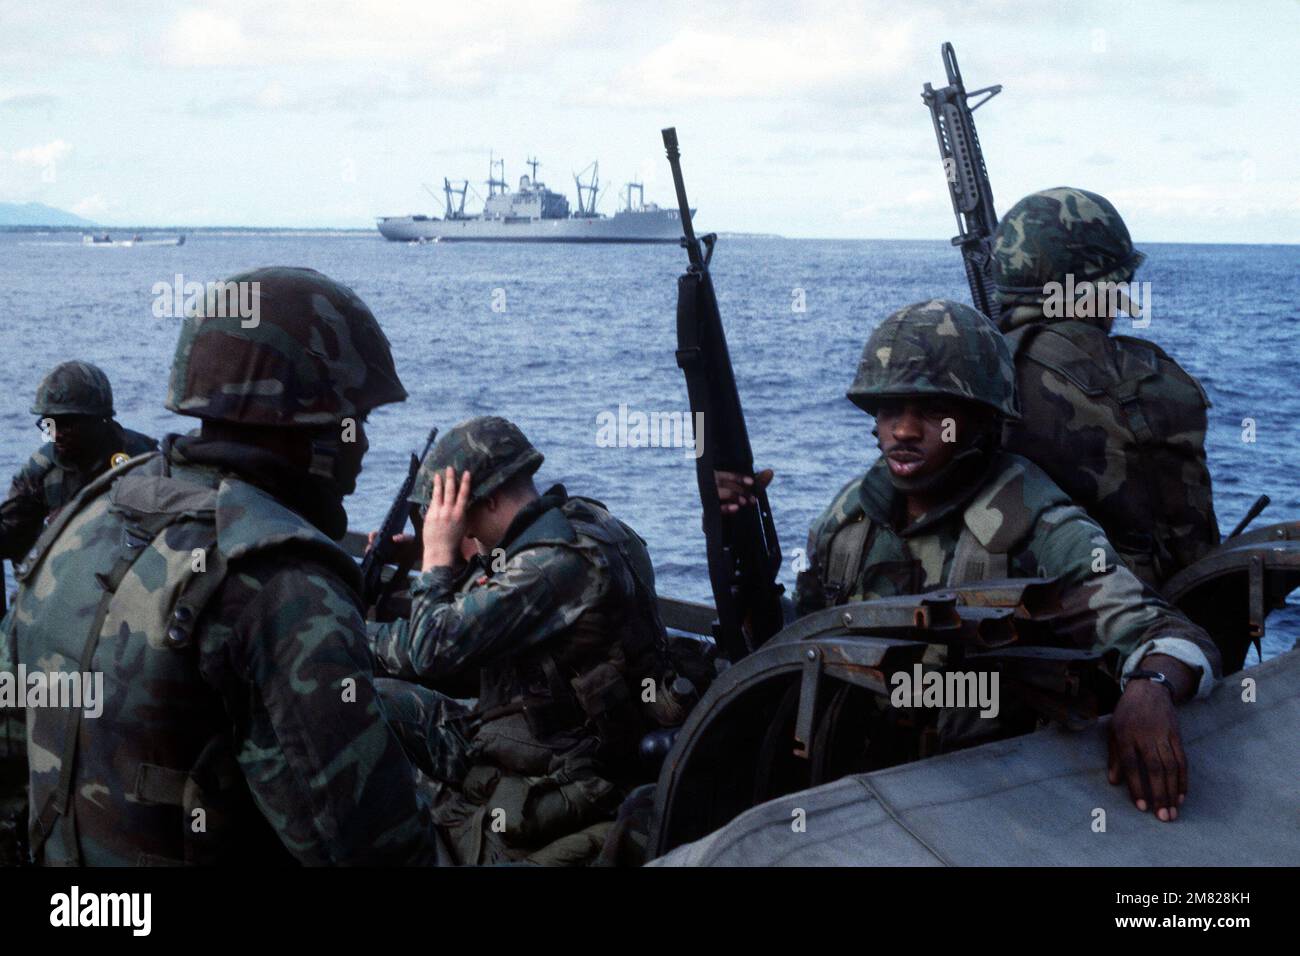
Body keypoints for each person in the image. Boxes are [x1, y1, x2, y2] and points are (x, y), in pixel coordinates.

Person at [0, 267, 443, 865]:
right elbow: (379, 853)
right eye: (352, 421)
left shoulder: (87, 515)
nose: (360, 443)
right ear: (299, 421)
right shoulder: (282, 583)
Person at [724, 299, 1221, 823]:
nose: (904, 431)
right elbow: (801, 646)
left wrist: (1153, 687)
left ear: (981, 419)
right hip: (855, 799)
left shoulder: (1036, 526)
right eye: (890, 410)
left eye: (932, 412)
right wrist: (746, 565)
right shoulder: (849, 521)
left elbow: (1170, 635)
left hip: (988, 807)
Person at [368, 416, 675, 865]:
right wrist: (427, 557)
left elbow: (431, 650)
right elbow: (498, 589)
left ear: (489, 500)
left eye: (464, 519)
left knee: (364, 702)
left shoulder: (554, 564)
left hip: (567, 761)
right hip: (575, 729)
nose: (464, 533)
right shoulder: (586, 524)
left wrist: (434, 558)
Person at [991, 187, 1219, 589]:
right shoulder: (1152, 380)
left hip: (992, 612)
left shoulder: (978, 369)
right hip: (1128, 621)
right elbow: (1192, 551)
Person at [0, 361, 156, 565]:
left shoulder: (142, 460)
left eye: (66, 423)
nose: (55, 434)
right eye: (49, 424)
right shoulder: (41, 470)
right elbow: (13, 535)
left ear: (98, 420)